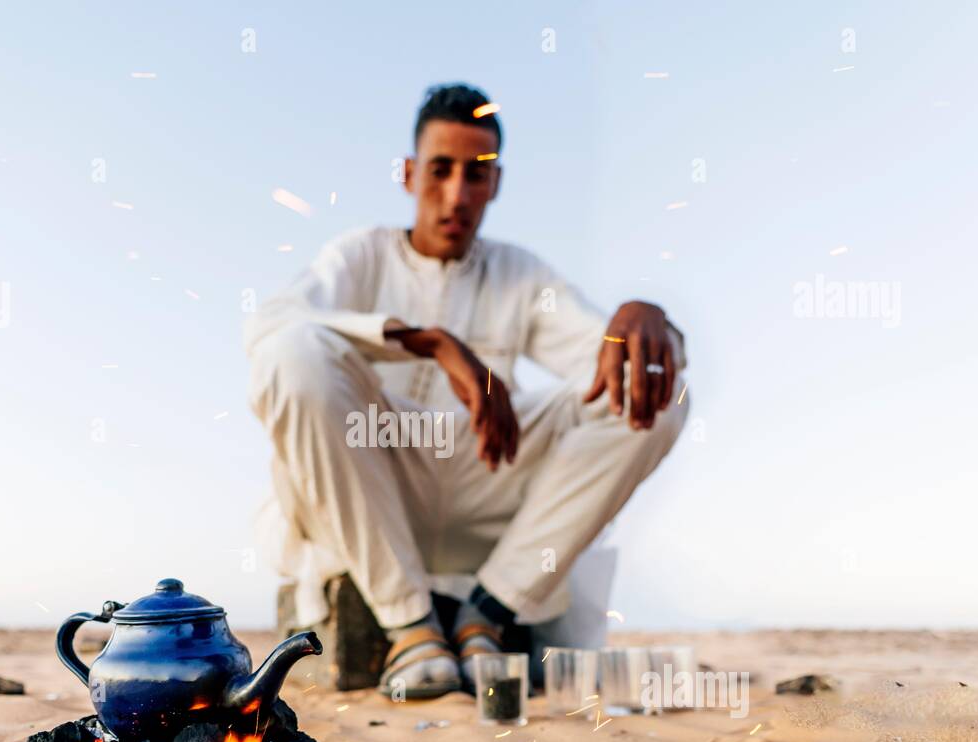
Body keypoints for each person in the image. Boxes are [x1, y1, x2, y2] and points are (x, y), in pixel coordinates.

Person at [245, 83, 689, 700]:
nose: (456, 194)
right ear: (407, 174)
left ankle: (489, 610)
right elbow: (270, 325)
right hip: (375, 478)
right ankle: (411, 625)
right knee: (293, 352)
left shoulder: (519, 273)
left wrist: (647, 318)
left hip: (486, 482)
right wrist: (427, 340)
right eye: (440, 170)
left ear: (496, 184)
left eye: (476, 175)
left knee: (656, 394)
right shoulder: (361, 255)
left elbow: (608, 359)